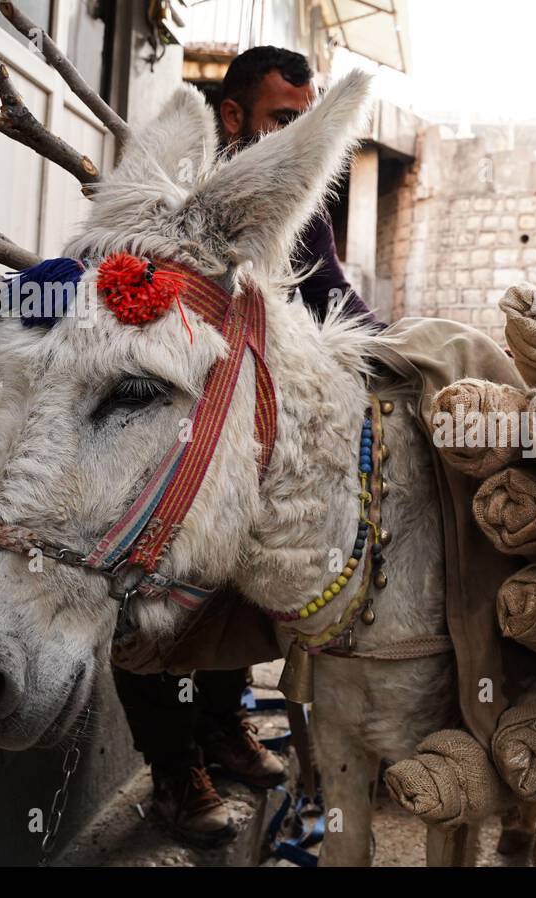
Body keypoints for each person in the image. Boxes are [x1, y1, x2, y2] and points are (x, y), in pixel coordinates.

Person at [111, 45, 378, 847]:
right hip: (169, 435)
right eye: (281, 121)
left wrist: (397, 358)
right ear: (232, 117)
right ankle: (172, 772)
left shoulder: (299, 207)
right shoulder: (170, 193)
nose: (296, 137)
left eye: (305, 121)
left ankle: (224, 726)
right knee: (158, 603)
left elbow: (335, 297)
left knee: (246, 588)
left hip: (249, 441)